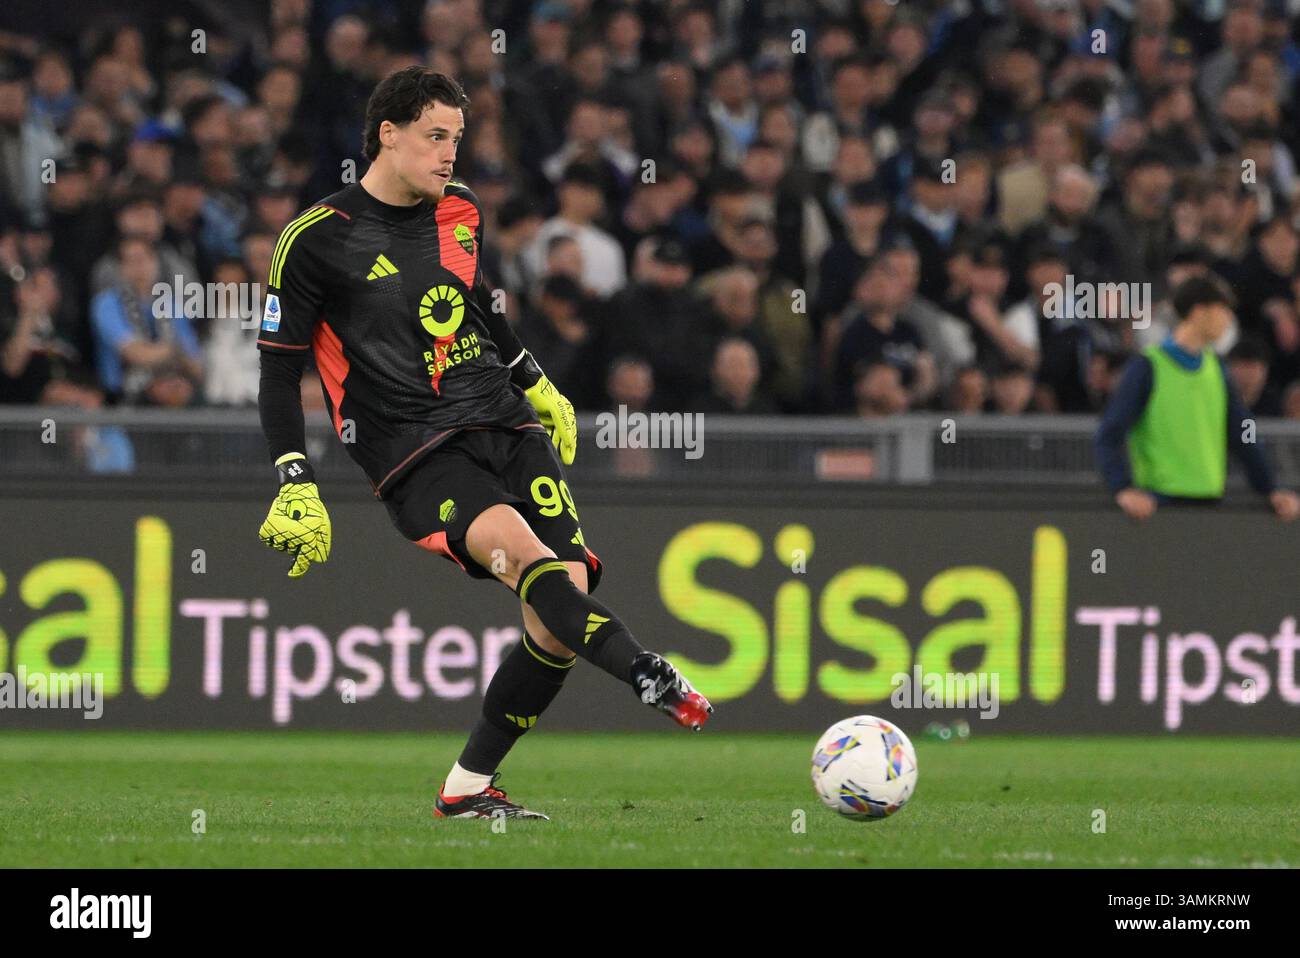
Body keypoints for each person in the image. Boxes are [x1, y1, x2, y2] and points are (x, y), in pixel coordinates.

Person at [254, 68, 711, 822]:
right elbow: (279, 368)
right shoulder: (314, 240)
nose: (448, 154)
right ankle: (646, 672)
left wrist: (535, 381)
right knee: (532, 567)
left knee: (557, 616)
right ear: (387, 135)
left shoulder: (461, 210)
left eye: (457, 139)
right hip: (415, 450)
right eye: (435, 137)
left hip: (504, 420)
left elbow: (472, 305)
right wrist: (293, 477)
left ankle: (467, 788)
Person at [1095, 275, 1300, 522]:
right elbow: (1109, 434)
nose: (1227, 320)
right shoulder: (1148, 367)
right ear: (1199, 311)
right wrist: (1123, 488)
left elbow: (1243, 435)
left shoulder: (1217, 370)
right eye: (1222, 310)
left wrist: (1271, 489)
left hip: (1208, 504)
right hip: (1157, 506)